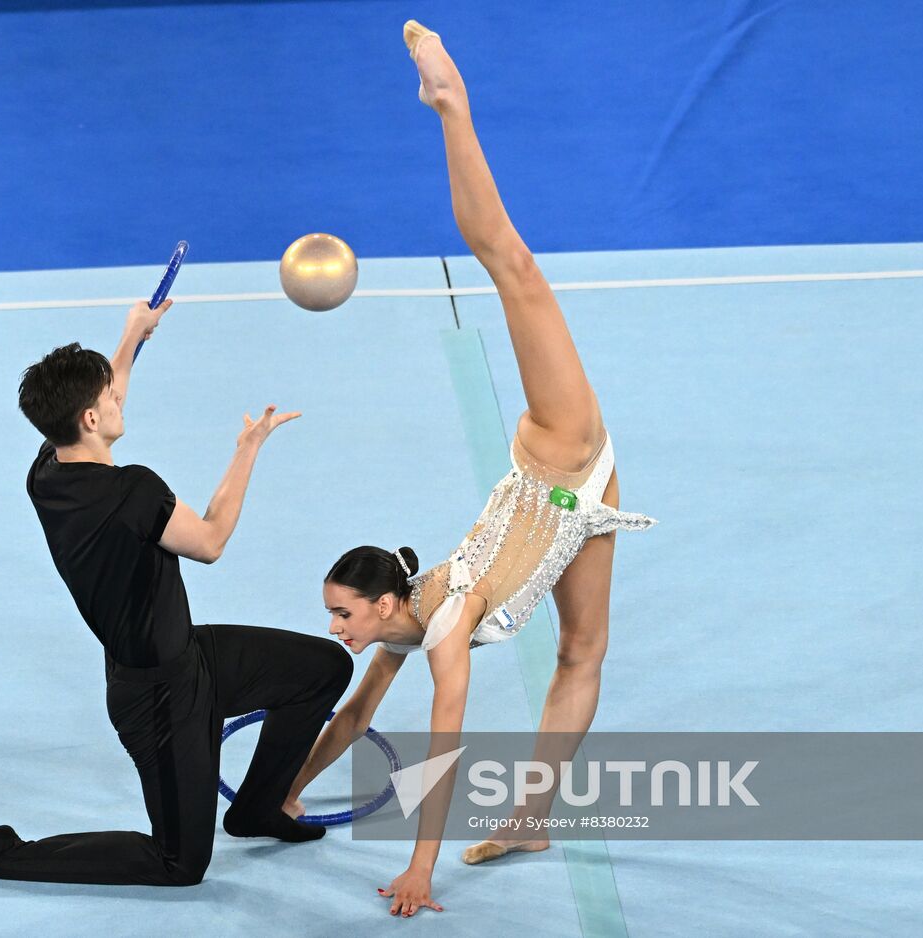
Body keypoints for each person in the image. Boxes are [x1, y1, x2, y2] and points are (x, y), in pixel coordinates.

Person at [283, 22, 657, 917]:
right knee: (580, 649)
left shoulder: (439, 628)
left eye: (342, 614)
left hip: (557, 446)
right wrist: (287, 792)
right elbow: (354, 724)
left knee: (511, 266)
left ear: (383, 604)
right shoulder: (397, 628)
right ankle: (534, 818)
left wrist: (420, 872)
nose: (335, 627)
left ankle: (451, 104)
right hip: (578, 506)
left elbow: (442, 750)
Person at [0, 298, 354, 886]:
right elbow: (209, 541)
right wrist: (248, 447)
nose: (117, 397)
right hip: (155, 699)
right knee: (180, 864)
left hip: (191, 659)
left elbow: (105, 397)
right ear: (91, 419)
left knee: (324, 667)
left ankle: (258, 807)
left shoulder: (47, 471)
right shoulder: (133, 491)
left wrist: (131, 337)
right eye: (109, 398)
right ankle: (0, 855)